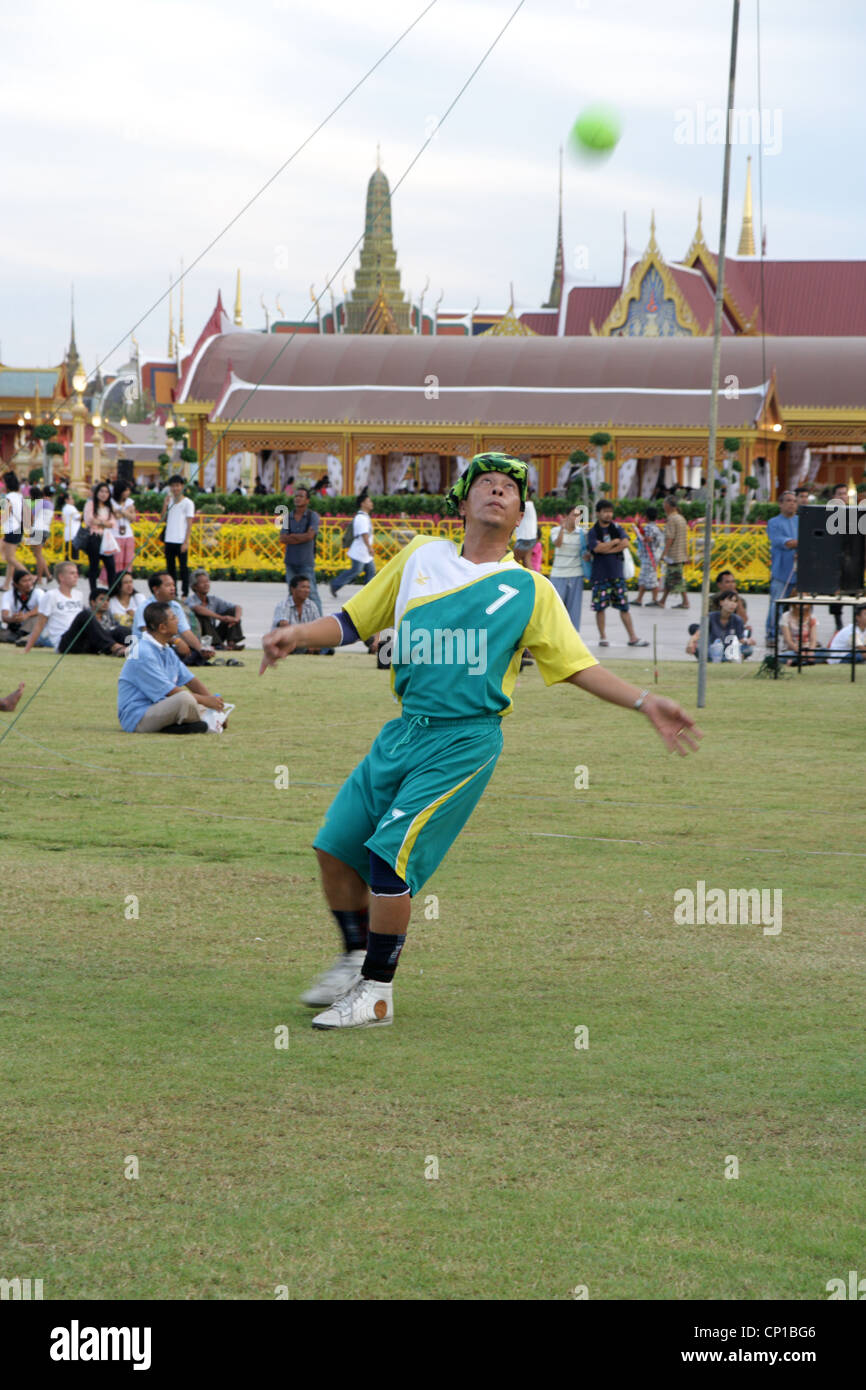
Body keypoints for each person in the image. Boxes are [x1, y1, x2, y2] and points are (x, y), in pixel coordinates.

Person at [260, 452, 700, 1030]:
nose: (497, 492)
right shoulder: (421, 556)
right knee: (334, 848)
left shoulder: (529, 589)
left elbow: (575, 666)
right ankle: (355, 957)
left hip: (465, 742)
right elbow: (353, 621)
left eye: (509, 491)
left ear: (520, 516)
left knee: (389, 859)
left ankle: (378, 994)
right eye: (485, 485)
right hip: (404, 729)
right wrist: (297, 632)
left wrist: (647, 702)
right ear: (462, 504)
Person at [118, 602, 226, 733]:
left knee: (193, 701)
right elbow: (169, 692)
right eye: (173, 618)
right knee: (185, 699)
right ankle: (198, 723)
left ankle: (195, 723)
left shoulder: (166, 650)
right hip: (138, 716)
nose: (178, 620)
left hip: (161, 707)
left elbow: (191, 680)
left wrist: (215, 705)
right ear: (162, 628)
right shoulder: (142, 652)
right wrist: (206, 702)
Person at [586, 500, 648, 647]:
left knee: (624, 607)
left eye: (610, 511)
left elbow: (625, 543)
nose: (608, 514)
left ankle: (633, 637)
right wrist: (614, 543)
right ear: (598, 513)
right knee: (600, 608)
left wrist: (608, 548)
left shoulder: (617, 528)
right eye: (605, 511)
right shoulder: (593, 531)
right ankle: (603, 637)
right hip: (600, 575)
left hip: (617, 574)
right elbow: (596, 548)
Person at [133, 571, 213, 665]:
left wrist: (201, 650)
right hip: (144, 648)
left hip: (167, 646)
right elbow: (148, 634)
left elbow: (186, 632)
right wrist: (176, 641)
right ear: (156, 589)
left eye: (173, 585)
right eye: (168, 585)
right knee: (178, 654)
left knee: (194, 652)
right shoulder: (145, 607)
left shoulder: (175, 606)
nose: (173, 588)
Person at [22, 561, 85, 651]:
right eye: (72, 573)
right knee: (86, 614)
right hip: (63, 640)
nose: (76, 576)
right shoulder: (51, 595)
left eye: (76, 573)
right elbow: (40, 625)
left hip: (79, 638)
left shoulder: (79, 595)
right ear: (61, 577)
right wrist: (27, 649)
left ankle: (110, 647)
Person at [279, 484, 322, 613]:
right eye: (296, 496)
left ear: (307, 500)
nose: (297, 498)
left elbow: (310, 536)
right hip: (290, 562)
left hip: (306, 562)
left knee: (311, 592)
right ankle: (291, 619)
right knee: (292, 592)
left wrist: (292, 536)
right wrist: (300, 537)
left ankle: (319, 621)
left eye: (301, 496)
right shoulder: (288, 516)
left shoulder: (312, 516)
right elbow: (282, 538)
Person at [765, 490, 798, 644]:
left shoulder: (801, 520)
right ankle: (771, 635)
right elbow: (783, 542)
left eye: (794, 501)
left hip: (800, 571)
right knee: (776, 605)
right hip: (781, 571)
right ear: (781, 504)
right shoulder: (774, 522)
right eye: (789, 500)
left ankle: (796, 636)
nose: (792, 504)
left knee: (801, 606)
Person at [57, 589, 129, 657]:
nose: (106, 602)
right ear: (93, 602)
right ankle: (114, 647)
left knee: (122, 630)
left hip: (91, 647)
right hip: (73, 643)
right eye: (102, 599)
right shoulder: (85, 614)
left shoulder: (109, 617)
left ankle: (134, 649)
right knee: (86, 615)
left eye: (108, 600)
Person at [272, 575, 333, 652]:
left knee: (328, 648)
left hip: (305, 641)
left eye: (308, 587)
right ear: (292, 589)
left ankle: (309, 650)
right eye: (303, 587)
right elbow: (285, 627)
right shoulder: (283, 605)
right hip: (287, 640)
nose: (307, 590)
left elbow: (318, 627)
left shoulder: (311, 605)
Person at [330, 491, 375, 597]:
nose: (371, 503)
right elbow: (364, 534)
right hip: (360, 551)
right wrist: (370, 548)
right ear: (362, 504)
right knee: (356, 571)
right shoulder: (361, 518)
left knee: (370, 571)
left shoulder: (364, 516)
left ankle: (368, 594)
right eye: (369, 501)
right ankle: (335, 584)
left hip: (364, 552)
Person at [548, 505, 585, 632]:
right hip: (558, 574)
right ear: (566, 516)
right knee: (555, 608)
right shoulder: (556, 530)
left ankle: (573, 637)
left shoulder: (582, 533)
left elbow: (586, 552)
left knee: (574, 610)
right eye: (574, 515)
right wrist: (562, 529)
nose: (576, 518)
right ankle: (554, 635)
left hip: (576, 574)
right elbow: (557, 544)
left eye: (579, 515)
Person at [187, 569, 245, 649]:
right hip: (199, 635)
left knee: (232, 611)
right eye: (202, 582)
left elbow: (237, 607)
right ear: (194, 586)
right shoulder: (190, 600)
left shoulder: (213, 599)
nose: (206, 584)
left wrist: (236, 619)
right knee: (202, 616)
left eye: (207, 582)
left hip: (214, 635)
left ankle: (231, 643)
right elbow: (198, 609)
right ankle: (219, 645)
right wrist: (221, 618)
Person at [686, 594, 752, 661]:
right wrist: (690, 643)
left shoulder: (737, 619)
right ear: (721, 602)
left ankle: (726, 658)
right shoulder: (711, 616)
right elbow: (698, 633)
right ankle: (728, 658)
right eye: (730, 600)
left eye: (735, 601)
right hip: (712, 648)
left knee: (748, 649)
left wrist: (748, 641)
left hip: (729, 649)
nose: (732, 604)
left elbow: (740, 639)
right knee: (699, 646)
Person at [82, 481, 119, 601]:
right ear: (97, 492)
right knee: (94, 567)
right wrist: (104, 523)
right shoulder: (90, 504)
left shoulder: (109, 507)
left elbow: (113, 524)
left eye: (106, 492)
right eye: (101, 491)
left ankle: (111, 593)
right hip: (94, 538)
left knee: (111, 566)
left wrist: (100, 522)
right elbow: (89, 520)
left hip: (106, 539)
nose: (104, 494)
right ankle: (94, 594)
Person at [160, 475, 195, 598]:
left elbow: (189, 523)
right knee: (170, 569)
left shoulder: (188, 503)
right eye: (173, 486)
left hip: (180, 540)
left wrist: (186, 541)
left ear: (182, 486)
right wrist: (165, 504)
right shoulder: (170, 501)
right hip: (169, 540)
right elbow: (163, 519)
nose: (175, 488)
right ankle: (173, 592)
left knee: (183, 568)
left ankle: (185, 592)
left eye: (178, 485)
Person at [660, 495, 689, 609]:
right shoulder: (681, 518)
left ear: (668, 506)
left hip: (674, 554)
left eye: (664, 504)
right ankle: (662, 600)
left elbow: (670, 538)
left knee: (676, 579)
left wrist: (664, 553)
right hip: (680, 553)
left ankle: (686, 602)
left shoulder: (672, 519)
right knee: (672, 578)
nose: (663, 506)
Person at [1, 570, 45, 644]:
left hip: (32, 625)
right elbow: (4, 616)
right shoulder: (8, 595)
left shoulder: (38, 592)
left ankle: (19, 636)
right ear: (15, 584)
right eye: (24, 581)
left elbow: (42, 607)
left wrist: (26, 615)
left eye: (30, 580)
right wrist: (12, 619)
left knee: (37, 617)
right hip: (17, 626)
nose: (28, 584)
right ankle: (18, 637)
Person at [634, 506, 664, 606]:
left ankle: (655, 599)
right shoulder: (657, 527)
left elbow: (648, 539)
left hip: (649, 556)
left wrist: (638, 533)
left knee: (651, 578)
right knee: (643, 577)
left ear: (646, 517)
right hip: (653, 555)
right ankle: (639, 599)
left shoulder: (649, 528)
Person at [25, 486, 52, 586]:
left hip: (37, 529)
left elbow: (32, 515)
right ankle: (48, 575)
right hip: (45, 530)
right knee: (38, 554)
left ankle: (39, 579)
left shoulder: (41, 502)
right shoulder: (50, 503)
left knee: (38, 555)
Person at [2, 470, 24, 591]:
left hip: (12, 528)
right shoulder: (19, 496)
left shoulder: (9, 497)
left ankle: (29, 575)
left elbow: (6, 513)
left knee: (10, 558)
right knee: (10, 558)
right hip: (17, 528)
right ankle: (6, 584)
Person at [779, 599, 819, 665]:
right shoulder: (786, 616)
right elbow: (788, 640)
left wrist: (811, 651)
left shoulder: (812, 617)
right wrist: (799, 651)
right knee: (782, 656)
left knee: (826, 652)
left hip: (807, 649)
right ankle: (803, 661)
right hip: (792, 650)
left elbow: (813, 639)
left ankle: (799, 661)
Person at [112, 480, 137, 573]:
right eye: (125, 490)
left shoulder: (130, 502)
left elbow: (133, 518)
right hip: (115, 535)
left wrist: (121, 511)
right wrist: (127, 511)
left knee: (128, 560)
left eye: (128, 490)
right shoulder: (111, 502)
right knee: (117, 560)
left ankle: (126, 579)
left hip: (128, 535)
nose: (128, 492)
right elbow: (115, 516)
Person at [512, 485, 537, 567]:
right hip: (529, 538)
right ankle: (533, 579)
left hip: (525, 538)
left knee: (512, 562)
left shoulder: (526, 505)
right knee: (526, 562)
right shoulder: (529, 505)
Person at [59, 491, 82, 561]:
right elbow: (79, 517)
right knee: (74, 557)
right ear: (66, 500)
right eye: (71, 499)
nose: (73, 500)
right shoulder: (70, 507)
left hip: (69, 535)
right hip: (73, 535)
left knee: (69, 557)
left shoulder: (66, 507)